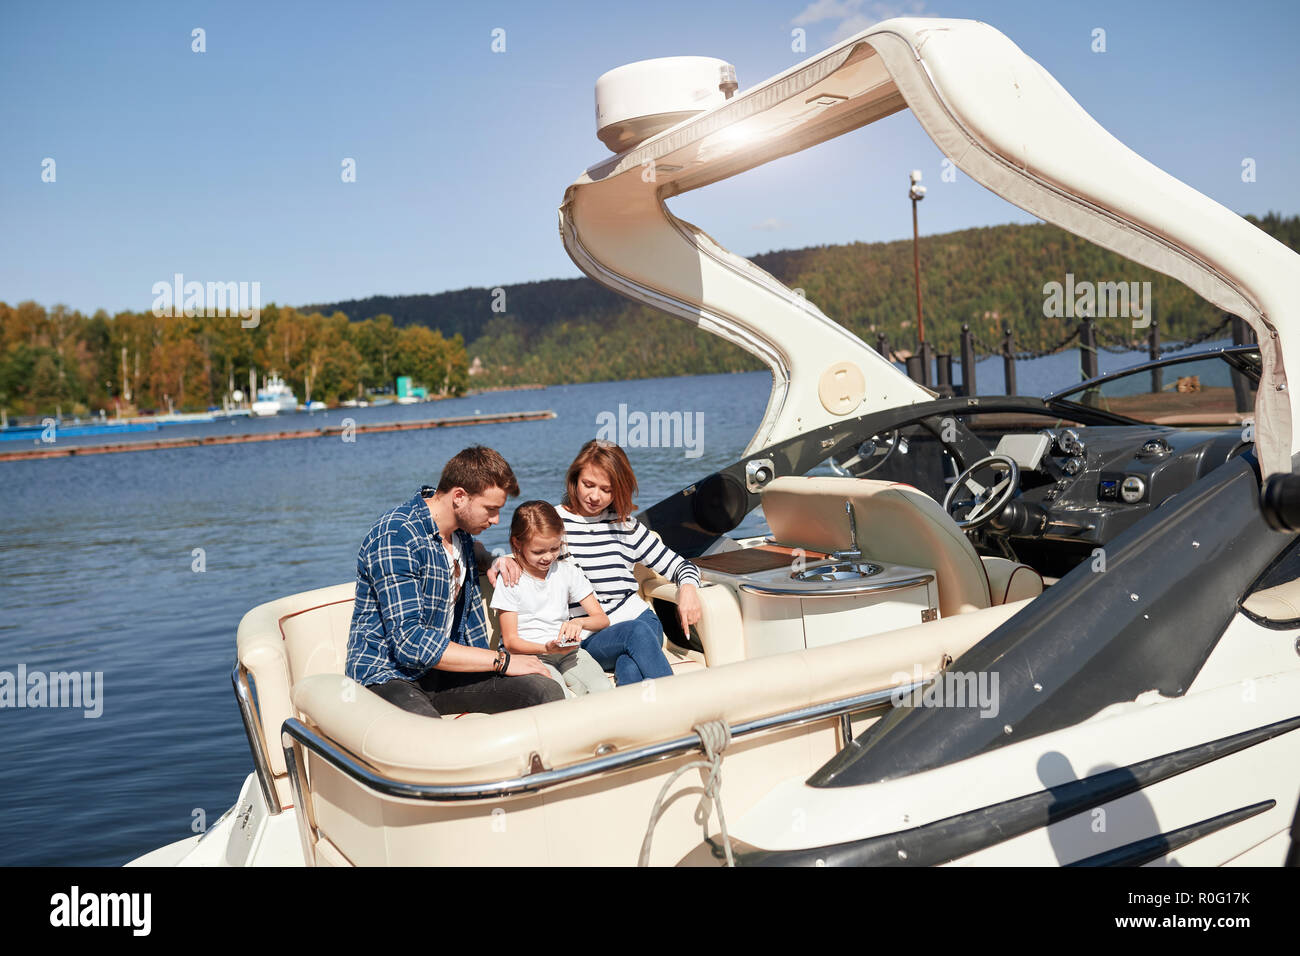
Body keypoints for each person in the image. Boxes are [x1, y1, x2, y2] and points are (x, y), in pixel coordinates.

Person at [346, 445, 562, 717]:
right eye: (490, 509)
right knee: (430, 733)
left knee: (544, 690)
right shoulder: (395, 537)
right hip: (389, 676)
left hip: (444, 675)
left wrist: (493, 559)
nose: (496, 520)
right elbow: (410, 642)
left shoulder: (459, 533)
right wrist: (502, 661)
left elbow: (468, 551)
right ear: (459, 496)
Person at [491, 440, 703, 686]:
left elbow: (680, 565)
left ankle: (642, 719)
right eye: (588, 485)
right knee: (634, 638)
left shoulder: (626, 526)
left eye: (606, 489)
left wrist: (688, 588)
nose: (594, 496)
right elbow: (526, 553)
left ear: (619, 490)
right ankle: (679, 702)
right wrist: (500, 562)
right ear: (574, 479)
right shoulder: (556, 522)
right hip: (588, 635)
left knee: (630, 661)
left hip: (640, 621)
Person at [490, 501, 613, 696]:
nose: (548, 557)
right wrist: (547, 648)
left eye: (555, 548)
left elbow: (602, 619)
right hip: (529, 655)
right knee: (558, 695)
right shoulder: (510, 579)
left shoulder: (568, 572)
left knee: (603, 690)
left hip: (568, 653)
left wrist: (579, 622)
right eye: (538, 552)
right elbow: (511, 641)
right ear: (517, 543)